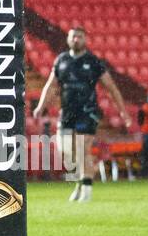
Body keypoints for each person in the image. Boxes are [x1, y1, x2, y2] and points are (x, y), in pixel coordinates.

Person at [32, 27, 132, 202]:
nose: (76, 40)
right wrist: (41, 106)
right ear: (68, 40)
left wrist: (123, 112)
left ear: (85, 39)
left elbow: (111, 88)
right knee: (66, 152)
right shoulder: (61, 61)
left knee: (82, 148)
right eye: (73, 37)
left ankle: (87, 190)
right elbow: (51, 85)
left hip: (87, 112)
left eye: (79, 37)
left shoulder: (93, 62)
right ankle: (80, 181)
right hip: (67, 113)